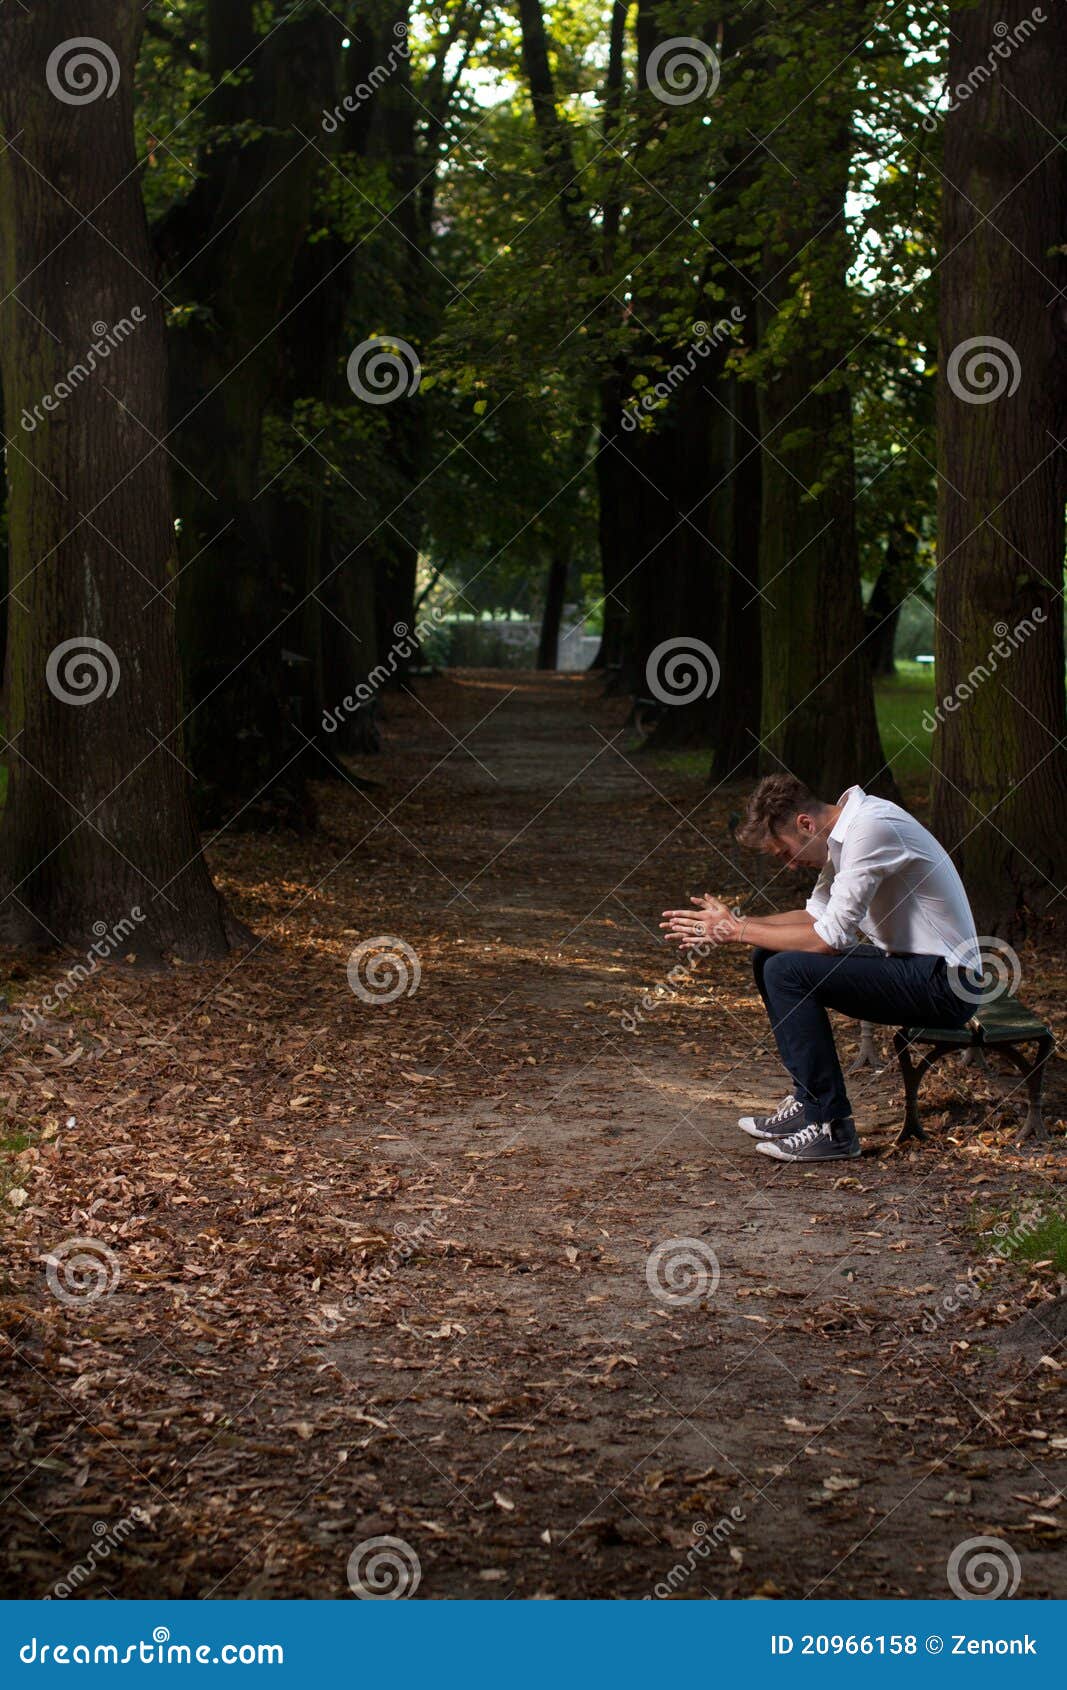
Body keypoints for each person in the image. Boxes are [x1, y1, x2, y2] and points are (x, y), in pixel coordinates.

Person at [660, 774, 983, 1163]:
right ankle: (810, 1104)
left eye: (785, 853)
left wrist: (737, 930)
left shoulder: (871, 829)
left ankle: (833, 1128)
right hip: (912, 966)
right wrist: (737, 923)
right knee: (768, 956)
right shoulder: (845, 832)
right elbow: (816, 915)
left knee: (786, 971)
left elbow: (828, 940)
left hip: (948, 984)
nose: (791, 866)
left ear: (805, 825)